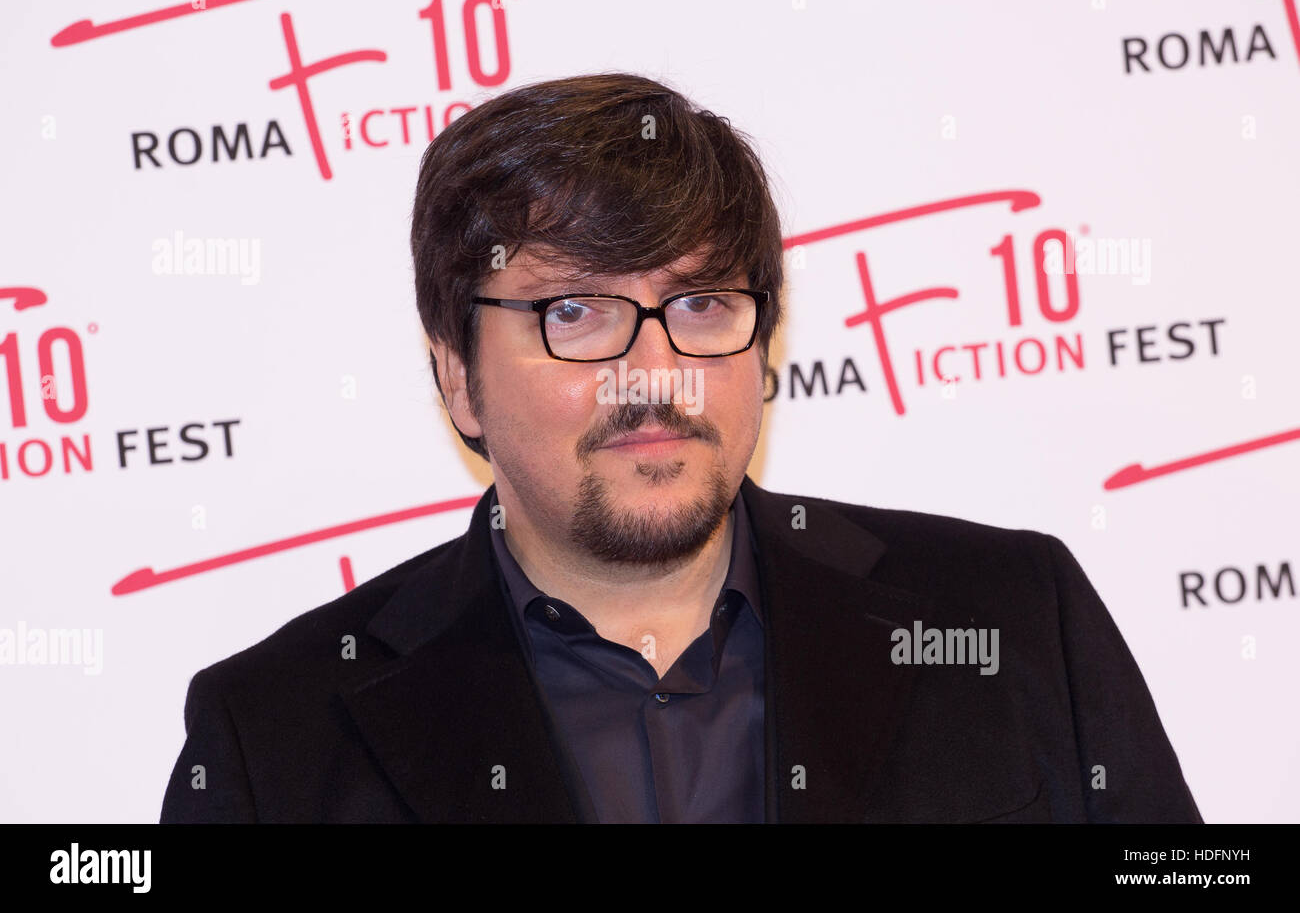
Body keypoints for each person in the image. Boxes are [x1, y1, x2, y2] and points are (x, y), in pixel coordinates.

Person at [160, 72, 1201, 823]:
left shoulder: (1013, 616)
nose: (653, 371)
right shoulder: (275, 735)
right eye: (575, 311)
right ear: (457, 377)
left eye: (699, 303)